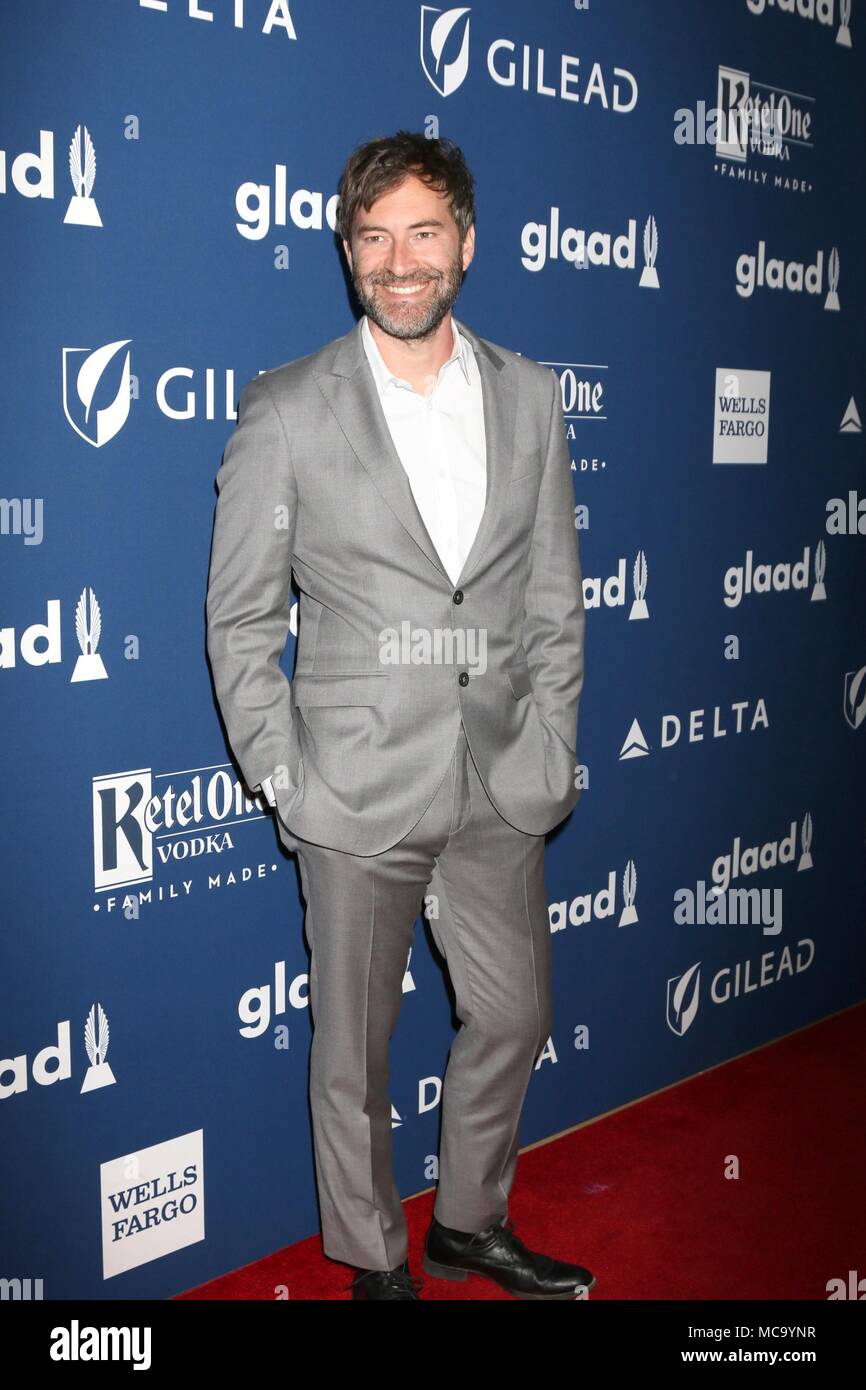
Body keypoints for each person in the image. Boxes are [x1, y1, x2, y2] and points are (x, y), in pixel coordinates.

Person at [206, 130, 593, 1300]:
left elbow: (551, 599)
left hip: (499, 773)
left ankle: (469, 1216)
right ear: (345, 251)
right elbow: (237, 624)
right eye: (372, 237)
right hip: (354, 783)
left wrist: (554, 741)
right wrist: (288, 777)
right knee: (351, 1054)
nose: (398, 260)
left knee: (514, 1012)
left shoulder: (528, 396)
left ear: (465, 244)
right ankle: (375, 1258)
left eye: (423, 232)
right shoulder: (284, 409)